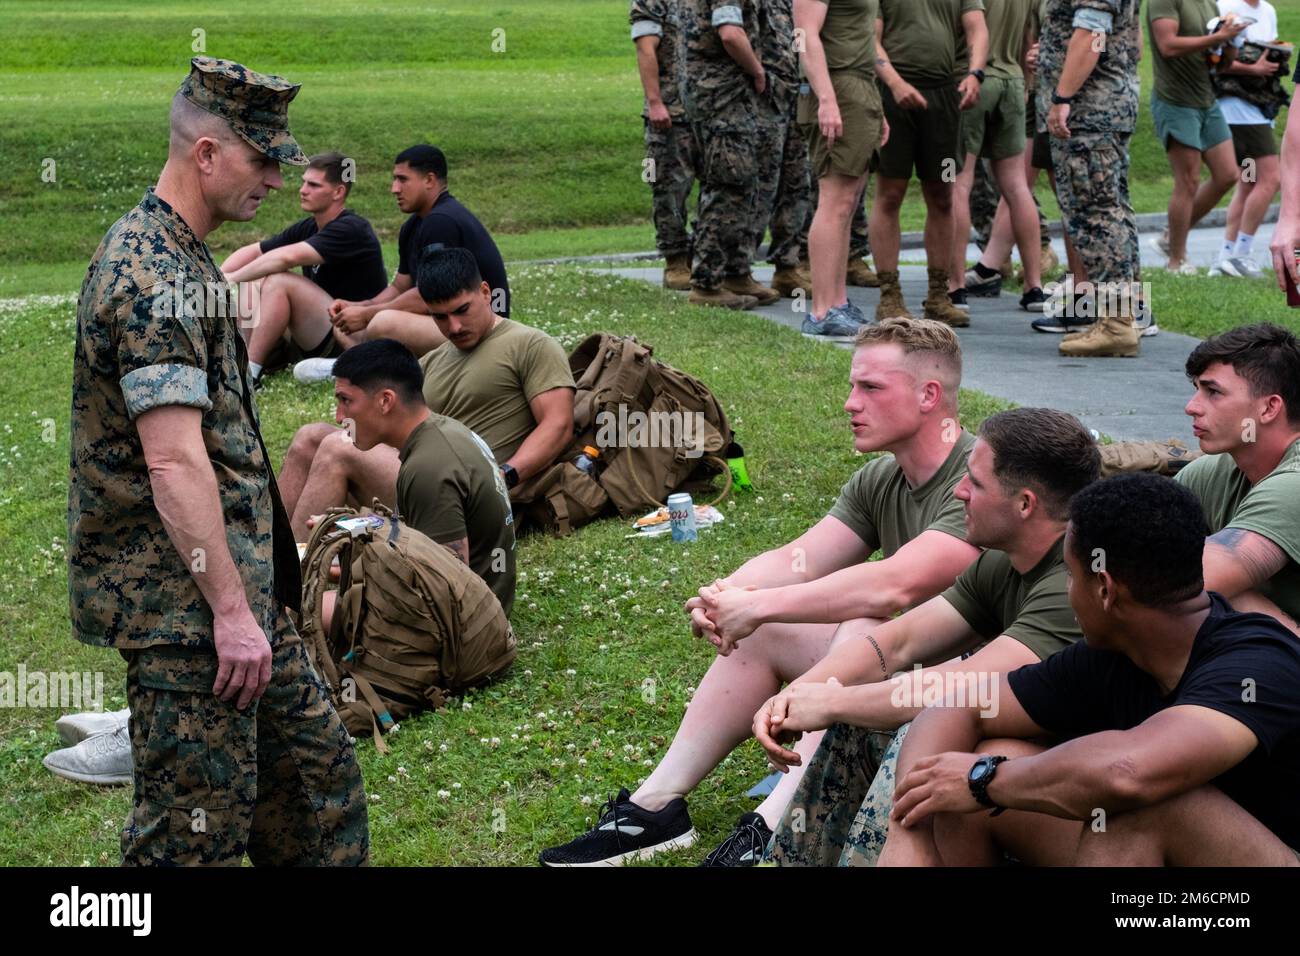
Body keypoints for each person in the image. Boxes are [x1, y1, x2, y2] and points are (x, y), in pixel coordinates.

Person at [65, 57, 368, 865]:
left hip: (238, 595)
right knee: (192, 834)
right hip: (189, 611)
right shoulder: (154, 273)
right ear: (205, 153)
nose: (276, 177)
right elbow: (172, 464)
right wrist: (231, 615)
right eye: (262, 158)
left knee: (317, 789)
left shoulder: (185, 253)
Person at [538, 318, 984, 866]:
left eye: (870, 387)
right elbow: (799, 559)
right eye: (851, 386)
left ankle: (772, 829)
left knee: (863, 623)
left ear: (928, 396)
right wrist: (727, 596)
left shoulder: (979, 478)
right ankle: (656, 809)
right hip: (898, 670)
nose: (849, 403)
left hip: (967, 693)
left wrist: (756, 604)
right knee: (769, 628)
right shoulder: (881, 479)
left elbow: (896, 585)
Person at [880, 473, 1300, 867]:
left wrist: (980, 780)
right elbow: (962, 705)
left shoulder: (1257, 662)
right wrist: (908, 830)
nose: (1067, 592)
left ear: (1105, 590)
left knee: (1144, 808)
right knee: (973, 767)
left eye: (1070, 576)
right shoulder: (1116, 653)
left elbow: (1128, 773)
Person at [761, 407, 1099, 866]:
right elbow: (897, 643)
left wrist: (830, 701)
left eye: (975, 484)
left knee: (919, 733)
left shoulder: (1071, 583)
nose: (959, 491)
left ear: (1025, 504)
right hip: (1018, 757)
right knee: (866, 716)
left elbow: (961, 689)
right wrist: (805, 691)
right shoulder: (1005, 559)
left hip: (1074, 792)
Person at [280, 248, 574, 540]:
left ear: (485, 293)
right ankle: (269, 552)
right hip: (417, 472)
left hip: (467, 488)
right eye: (440, 317)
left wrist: (504, 476)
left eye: (462, 310)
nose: (454, 326)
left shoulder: (531, 344)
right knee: (311, 436)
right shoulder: (436, 358)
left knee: (337, 447)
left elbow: (557, 425)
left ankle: (294, 573)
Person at [322, 339, 516, 619]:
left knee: (298, 613)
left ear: (385, 401)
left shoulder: (429, 468)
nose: (340, 416)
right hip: (481, 610)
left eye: (346, 401)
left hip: (464, 632)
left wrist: (354, 573)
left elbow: (443, 590)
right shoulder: (443, 431)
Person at [298, 144, 510, 379]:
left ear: (429, 180)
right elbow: (400, 286)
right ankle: (368, 365)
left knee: (383, 323)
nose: (394, 189)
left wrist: (369, 315)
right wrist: (361, 307)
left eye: (402, 179)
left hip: (484, 331)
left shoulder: (441, 221)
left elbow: (429, 295)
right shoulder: (414, 226)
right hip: (446, 322)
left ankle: (360, 368)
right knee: (347, 324)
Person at [220, 151, 387, 384]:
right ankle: (237, 361)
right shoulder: (310, 226)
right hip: (320, 329)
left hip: (351, 337)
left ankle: (250, 377)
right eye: (303, 182)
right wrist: (217, 278)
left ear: (338, 192)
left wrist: (232, 278)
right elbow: (255, 251)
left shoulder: (351, 228)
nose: (303, 189)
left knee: (279, 281)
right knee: (254, 280)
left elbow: (286, 258)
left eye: (313, 185)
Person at [870, 0, 988, 327]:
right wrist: (894, 83)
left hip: (944, 97)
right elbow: (871, 36)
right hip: (892, 95)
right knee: (890, 193)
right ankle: (889, 295)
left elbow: (977, 27)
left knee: (943, 194)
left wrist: (976, 73)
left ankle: (939, 294)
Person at [1177, 323, 1300, 633]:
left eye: (1213, 392)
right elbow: (1128, 536)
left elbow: (1180, 585)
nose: (1191, 407)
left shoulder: (1294, 485)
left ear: (1269, 407)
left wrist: (1233, 595)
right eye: (1196, 390)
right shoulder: (1219, 469)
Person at [1040, 0, 1145, 356]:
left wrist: (1062, 96)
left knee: (1096, 214)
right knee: (1113, 208)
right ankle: (1128, 316)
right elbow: (1135, 43)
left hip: (1089, 113)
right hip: (1108, 107)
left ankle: (1117, 325)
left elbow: (1092, 33)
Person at [794, 0, 887, 340]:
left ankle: (838, 303)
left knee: (848, 203)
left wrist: (875, 109)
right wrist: (828, 99)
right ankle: (821, 311)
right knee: (835, 201)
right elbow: (804, 34)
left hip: (859, 87)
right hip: (837, 87)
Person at [948, 0, 1046, 313]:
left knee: (958, 184)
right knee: (1017, 187)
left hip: (973, 80)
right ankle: (1034, 285)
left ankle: (955, 286)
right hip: (1013, 81)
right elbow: (1029, 35)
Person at [1147, 2, 1250, 274]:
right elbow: (1167, 45)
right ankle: (1176, 260)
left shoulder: (1209, 2)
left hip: (1206, 98)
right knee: (1188, 180)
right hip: (1175, 100)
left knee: (1228, 173)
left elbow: (1218, 63)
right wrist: (1218, 37)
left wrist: (1231, 43)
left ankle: (1171, 237)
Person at [681, 0, 764, 310]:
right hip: (723, 102)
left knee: (734, 185)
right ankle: (707, 283)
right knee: (726, 187)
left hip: (721, 100)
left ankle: (731, 274)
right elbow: (730, 33)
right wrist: (757, 70)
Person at [732, 0, 804, 309]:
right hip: (760, 99)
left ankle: (788, 266)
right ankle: (737, 270)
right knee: (759, 187)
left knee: (797, 183)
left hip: (795, 95)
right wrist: (758, 73)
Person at [1212, 0, 1286, 278]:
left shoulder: (1267, 11)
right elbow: (1213, 58)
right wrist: (1253, 69)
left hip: (1260, 110)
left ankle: (1226, 257)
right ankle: (1242, 253)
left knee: (1250, 182)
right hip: (1239, 113)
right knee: (1270, 178)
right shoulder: (1226, 6)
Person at [632, 0, 700, 292]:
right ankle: (675, 260)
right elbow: (645, 47)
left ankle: (704, 255)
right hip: (670, 112)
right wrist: (656, 101)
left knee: (722, 187)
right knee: (669, 188)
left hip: (712, 108)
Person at [1267, 53, 1300, 291]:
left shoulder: (1268, 14)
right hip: (1244, 123)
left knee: (1257, 181)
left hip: (1262, 120)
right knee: (1253, 180)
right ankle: (1233, 251)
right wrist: (1290, 217)